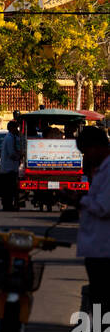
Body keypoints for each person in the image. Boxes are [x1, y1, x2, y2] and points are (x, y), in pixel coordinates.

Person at [75, 126, 110, 311]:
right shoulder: (101, 169)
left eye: (86, 152)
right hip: (98, 249)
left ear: (97, 147)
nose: (86, 158)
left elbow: (104, 207)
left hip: (104, 251)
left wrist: (80, 200)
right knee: (98, 300)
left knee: (102, 302)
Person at [0, 120, 20, 211]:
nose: (17, 130)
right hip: (9, 168)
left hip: (8, 167)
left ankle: (7, 205)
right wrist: (19, 157)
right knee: (9, 189)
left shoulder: (11, 137)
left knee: (7, 189)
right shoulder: (10, 138)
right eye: (16, 128)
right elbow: (11, 153)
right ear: (12, 128)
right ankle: (8, 205)